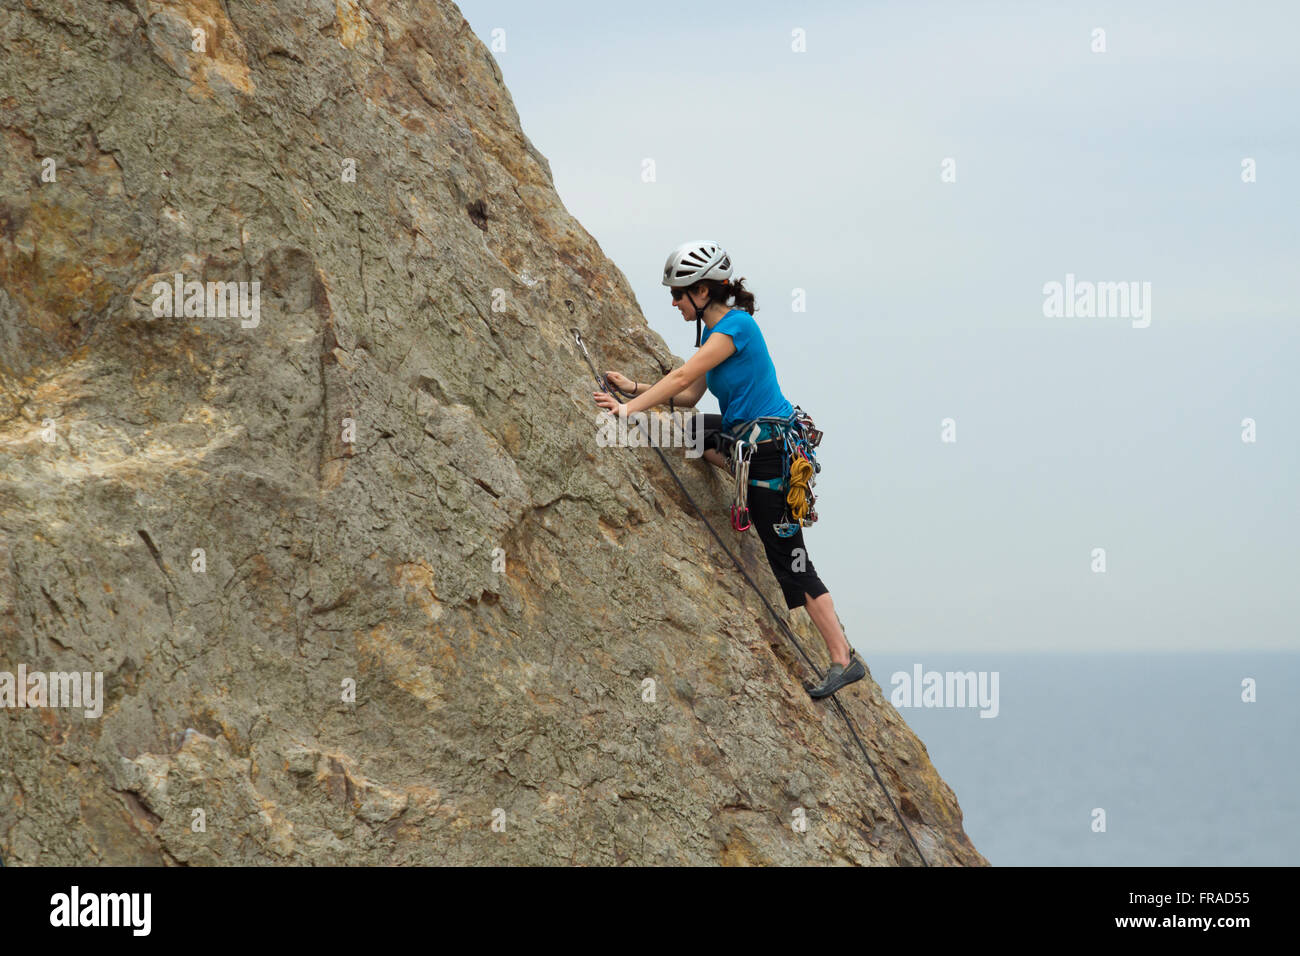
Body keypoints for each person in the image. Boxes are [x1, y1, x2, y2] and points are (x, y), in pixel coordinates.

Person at [592, 239, 866, 698]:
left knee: (791, 561)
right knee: (690, 430)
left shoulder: (737, 327)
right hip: (745, 440)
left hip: (771, 453)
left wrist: (627, 410)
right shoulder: (709, 337)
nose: (674, 302)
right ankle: (735, 473)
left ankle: (842, 659)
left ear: (701, 292)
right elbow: (687, 396)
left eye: (678, 294)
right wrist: (632, 390)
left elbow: (679, 379)